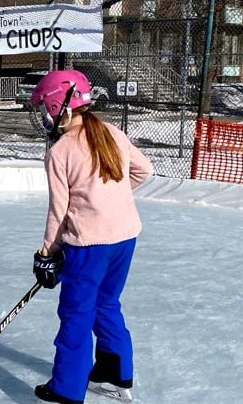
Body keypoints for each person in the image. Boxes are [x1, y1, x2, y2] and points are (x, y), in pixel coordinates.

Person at [28, 70, 153, 404]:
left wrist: (46, 253)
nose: (43, 116)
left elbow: (59, 210)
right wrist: (111, 199)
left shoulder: (60, 151)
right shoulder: (112, 131)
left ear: (59, 105)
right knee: (107, 302)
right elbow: (145, 171)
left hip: (89, 246)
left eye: (44, 108)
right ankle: (116, 370)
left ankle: (67, 388)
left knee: (76, 313)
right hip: (125, 237)